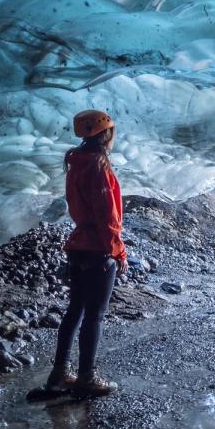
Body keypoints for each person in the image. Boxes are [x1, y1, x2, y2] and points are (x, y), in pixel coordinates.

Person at [46, 109, 127, 397]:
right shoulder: (99, 168)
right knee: (94, 316)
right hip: (97, 249)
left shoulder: (76, 163)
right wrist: (117, 252)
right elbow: (108, 217)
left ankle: (59, 374)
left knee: (75, 311)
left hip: (79, 245)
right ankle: (87, 378)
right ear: (105, 134)